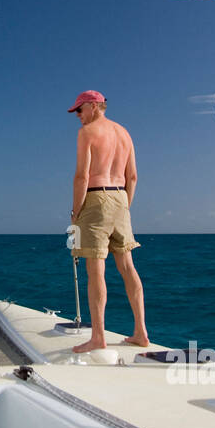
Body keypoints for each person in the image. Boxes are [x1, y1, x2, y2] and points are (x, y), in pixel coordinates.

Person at [67, 90, 148, 352]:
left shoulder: (87, 133)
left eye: (79, 110)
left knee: (96, 271)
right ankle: (140, 332)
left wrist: (76, 211)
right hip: (121, 199)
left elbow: (82, 176)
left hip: (95, 199)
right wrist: (125, 205)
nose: (78, 117)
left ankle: (98, 337)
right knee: (127, 266)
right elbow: (133, 176)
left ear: (93, 106)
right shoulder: (124, 133)